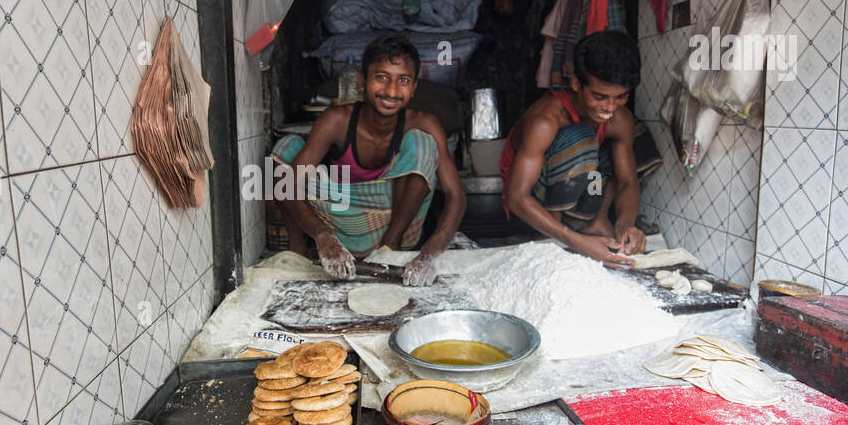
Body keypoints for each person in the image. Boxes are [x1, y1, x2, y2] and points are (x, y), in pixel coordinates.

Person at [271, 33, 467, 286]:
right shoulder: (337, 120)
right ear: (363, 81)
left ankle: (389, 249)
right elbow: (289, 184)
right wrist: (323, 236)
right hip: (339, 225)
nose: (391, 91)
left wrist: (429, 255)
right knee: (285, 150)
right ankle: (299, 252)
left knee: (423, 143)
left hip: (394, 227)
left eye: (403, 81)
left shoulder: (424, 123)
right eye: (382, 78)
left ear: (414, 87)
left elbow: (456, 195)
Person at [500, 30, 655, 268]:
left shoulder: (618, 118)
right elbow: (516, 197)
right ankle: (554, 235)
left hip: (583, 197)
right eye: (599, 96)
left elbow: (626, 182)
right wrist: (577, 242)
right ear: (576, 83)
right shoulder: (546, 120)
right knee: (581, 137)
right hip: (533, 210)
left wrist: (626, 225)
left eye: (621, 96)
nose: (610, 107)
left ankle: (597, 220)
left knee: (633, 135)